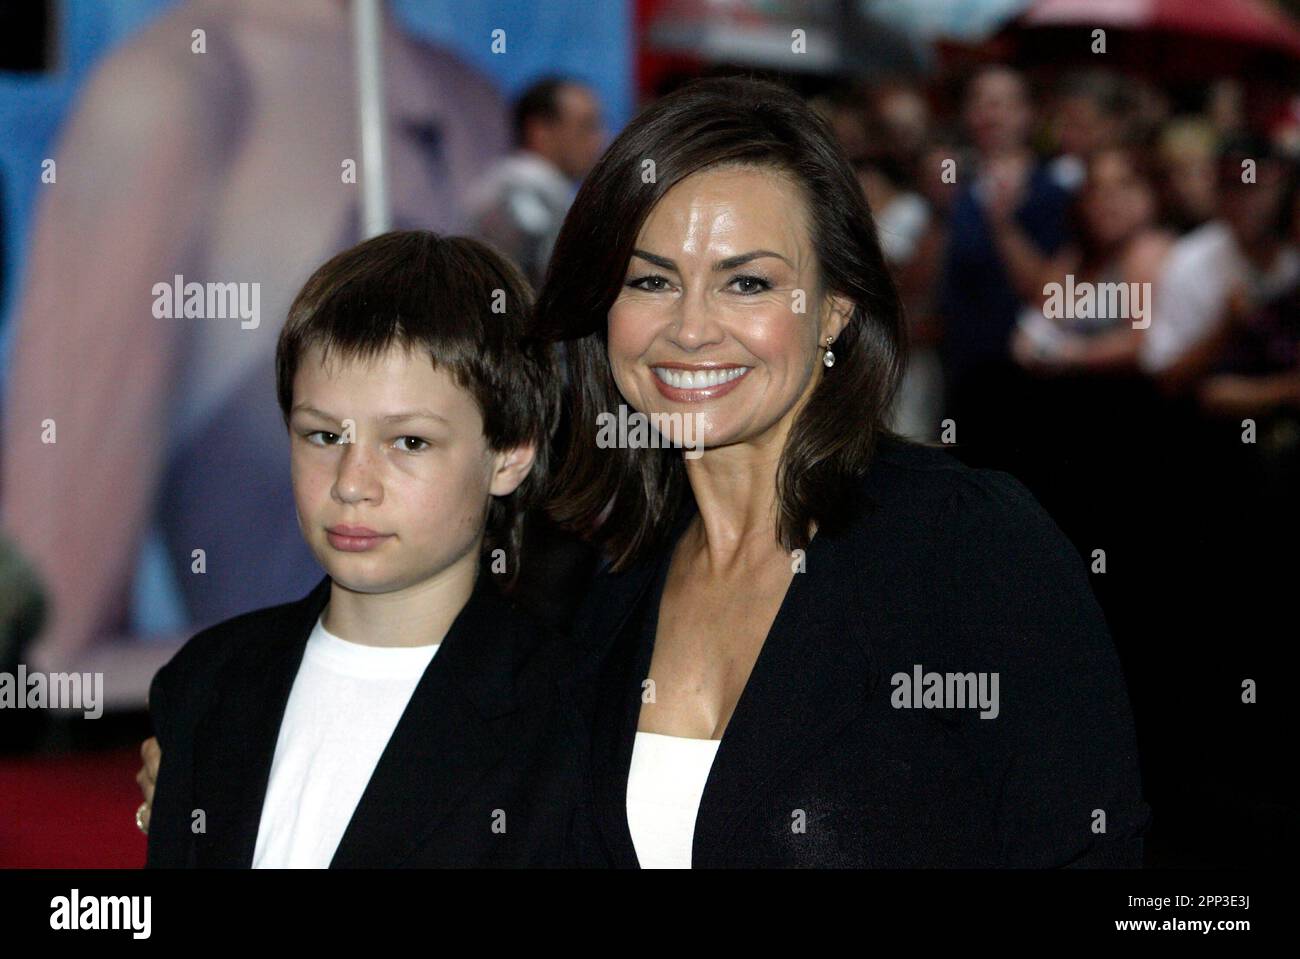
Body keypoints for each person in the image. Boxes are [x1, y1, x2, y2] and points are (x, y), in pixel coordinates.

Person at [533, 76, 1149, 868]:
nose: (689, 327)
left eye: (746, 281)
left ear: (834, 307)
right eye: (650, 280)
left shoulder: (969, 544)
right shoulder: (602, 578)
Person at [143, 231, 582, 867]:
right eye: (323, 435)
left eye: (408, 443)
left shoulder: (567, 717)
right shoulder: (206, 683)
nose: (351, 483)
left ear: (511, 453)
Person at [466, 76, 606, 289]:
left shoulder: (529, 190)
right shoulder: (524, 193)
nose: (599, 139)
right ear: (540, 131)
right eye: (586, 126)